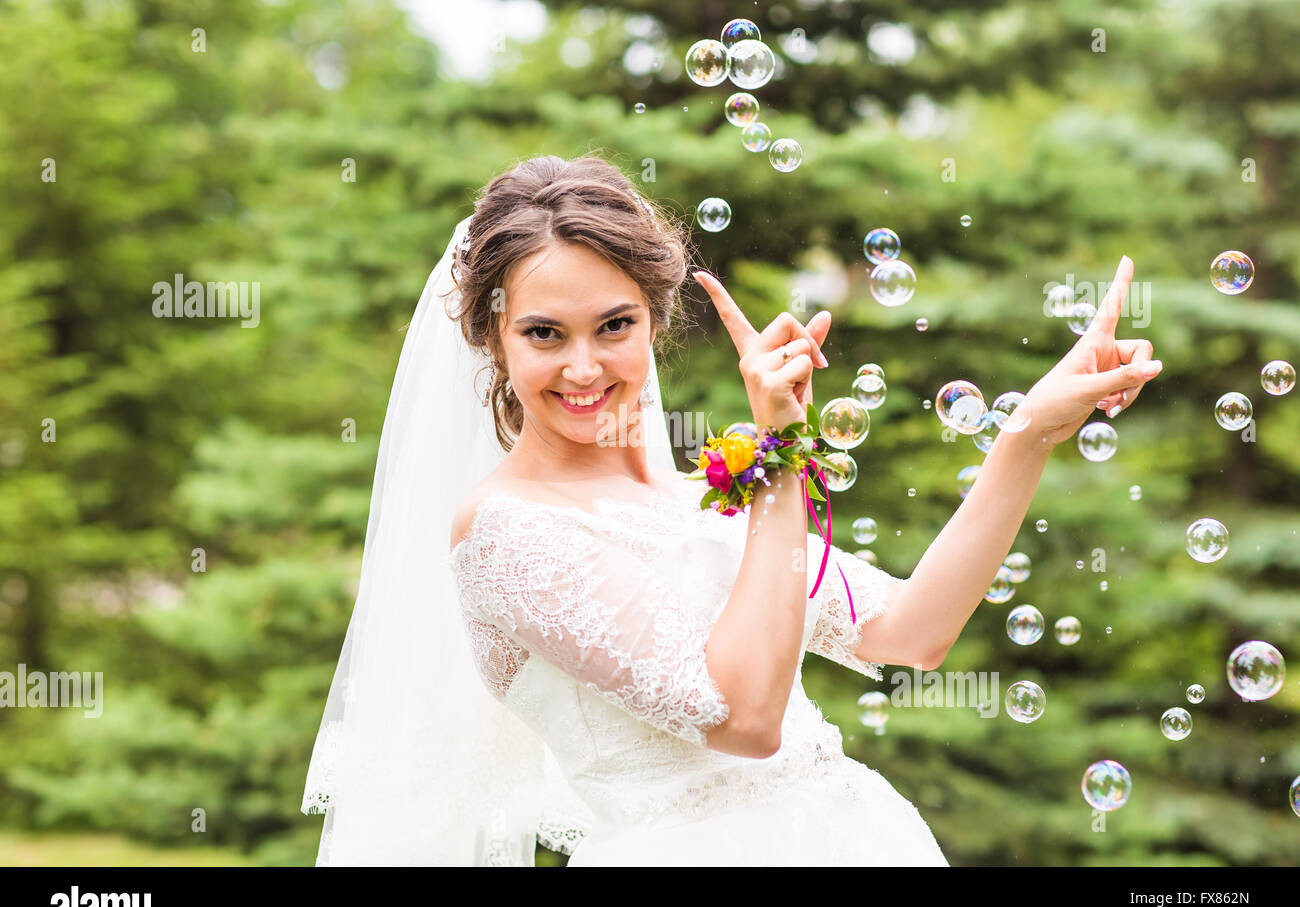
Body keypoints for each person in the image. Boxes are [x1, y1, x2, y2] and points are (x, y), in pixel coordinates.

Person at [302, 152, 1162, 866]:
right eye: (543, 333)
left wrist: (1028, 434)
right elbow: (744, 718)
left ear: (655, 322)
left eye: (614, 325)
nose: (584, 367)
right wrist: (781, 454)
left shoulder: (706, 500)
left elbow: (910, 630)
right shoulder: (507, 531)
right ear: (492, 338)